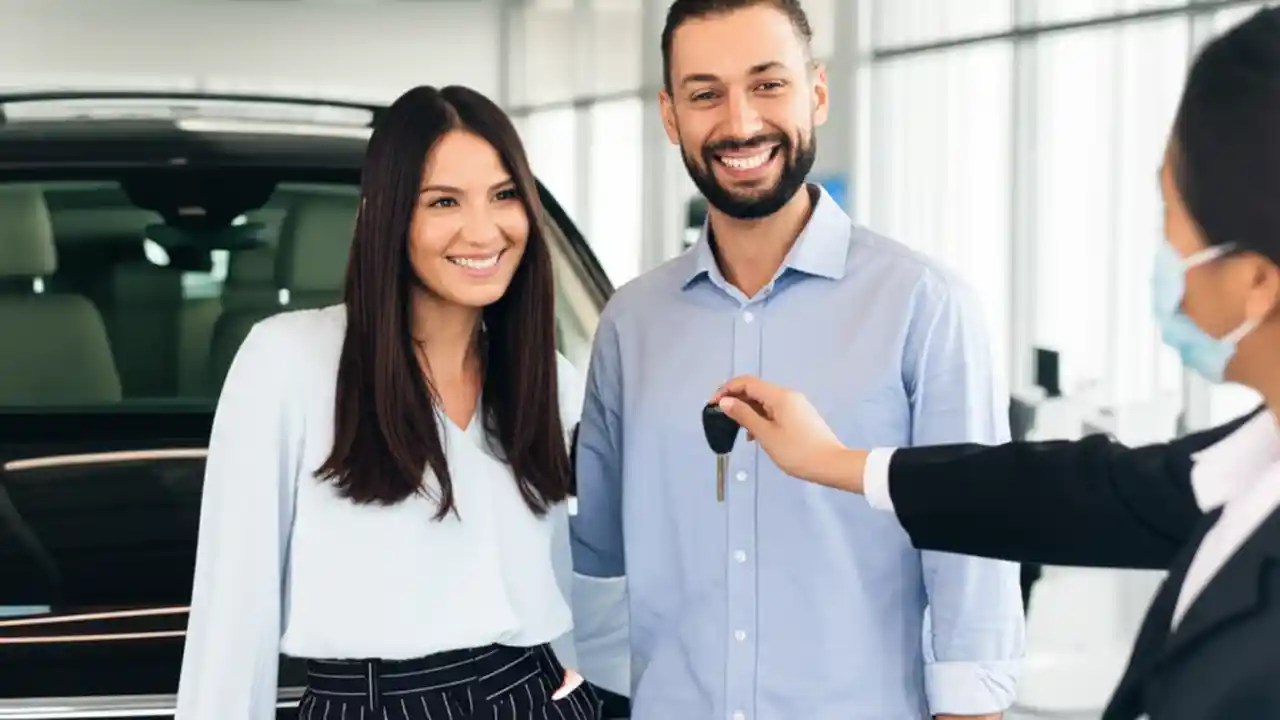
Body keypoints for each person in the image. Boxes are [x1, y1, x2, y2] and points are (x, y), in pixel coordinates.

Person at [709, 8, 1280, 720]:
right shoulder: (1247, 463)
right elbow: (1082, 489)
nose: (1161, 251)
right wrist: (838, 462)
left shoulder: (922, 296)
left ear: (1257, 280)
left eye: (1170, 213)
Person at [571, 1, 1025, 718]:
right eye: (705, 93)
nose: (740, 122)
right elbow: (590, 557)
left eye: (768, 84)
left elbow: (974, 564)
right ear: (670, 115)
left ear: (816, 92)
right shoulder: (630, 324)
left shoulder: (925, 306)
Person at [176, 85, 609, 720]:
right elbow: (232, 615)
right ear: (388, 213)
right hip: (373, 703)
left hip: (533, 693)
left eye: (504, 195)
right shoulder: (289, 363)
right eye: (444, 202)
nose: (483, 230)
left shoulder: (549, 378)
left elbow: (586, 582)